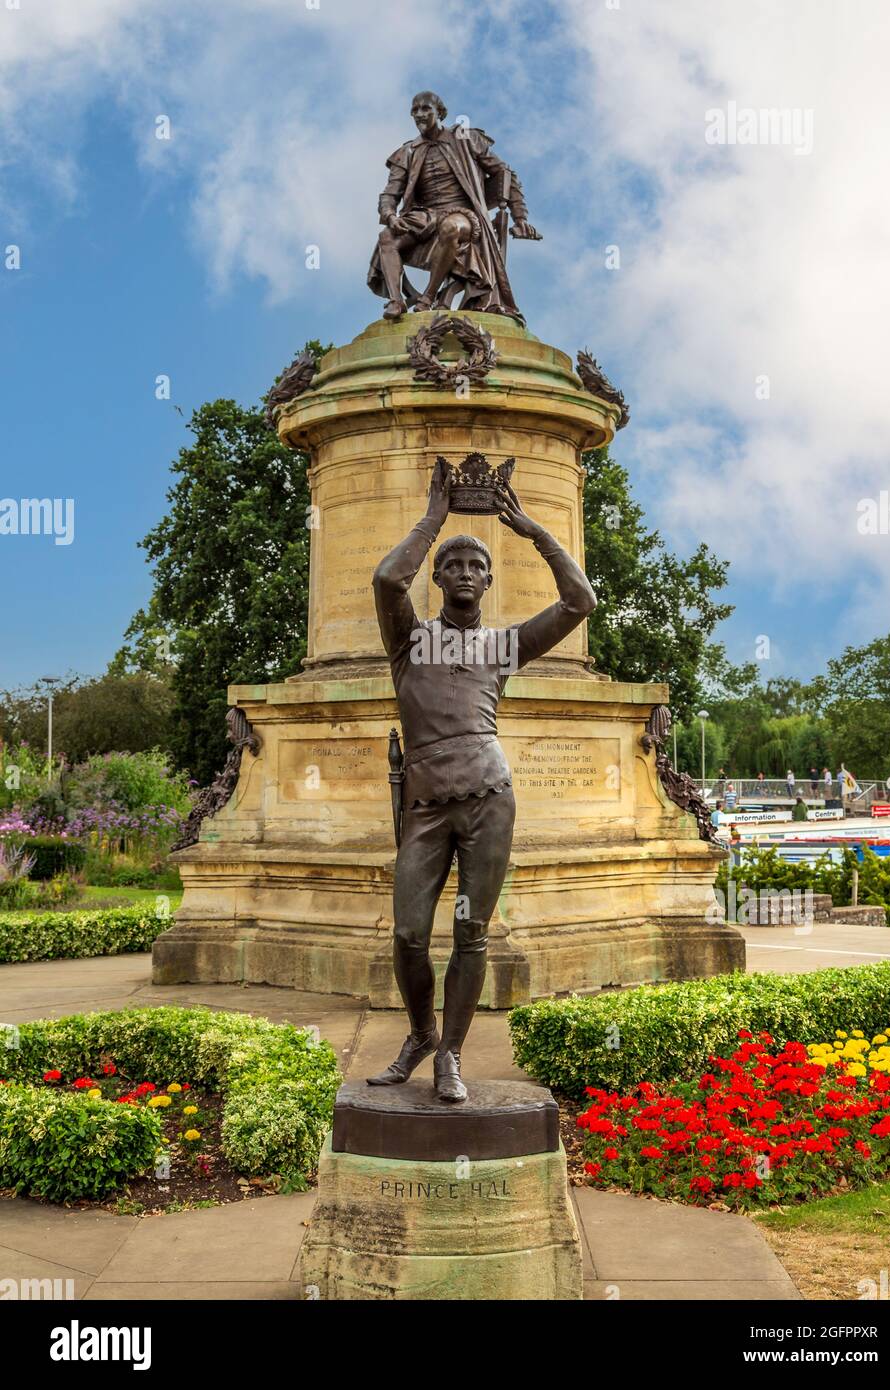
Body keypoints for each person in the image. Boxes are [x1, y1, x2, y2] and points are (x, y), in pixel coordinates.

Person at [367, 459, 595, 1102]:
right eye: (453, 565)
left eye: (476, 566)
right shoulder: (409, 642)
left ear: (489, 582)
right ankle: (420, 1033)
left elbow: (581, 602)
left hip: (490, 799)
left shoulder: (503, 646)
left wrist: (532, 531)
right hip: (425, 803)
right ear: (437, 578)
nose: (465, 573)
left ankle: (451, 1056)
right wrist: (436, 516)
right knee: (410, 932)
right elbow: (387, 578)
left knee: (471, 932)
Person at [368, 91, 541, 323]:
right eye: (415, 110)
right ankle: (396, 301)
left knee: (450, 228)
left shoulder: (465, 138)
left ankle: (428, 297)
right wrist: (389, 215)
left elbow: (504, 173)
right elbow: (390, 193)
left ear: (439, 112)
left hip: (463, 214)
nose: (419, 114)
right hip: (425, 216)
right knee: (386, 238)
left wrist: (520, 218)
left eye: (425, 108)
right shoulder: (407, 152)